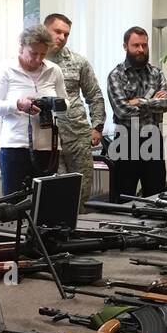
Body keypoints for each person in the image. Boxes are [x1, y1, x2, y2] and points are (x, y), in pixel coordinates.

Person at [0, 24, 67, 195]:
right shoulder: (5, 70)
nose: (38, 59)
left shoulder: (54, 70)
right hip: (15, 148)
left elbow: (66, 103)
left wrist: (52, 103)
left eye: (43, 54)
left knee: (45, 205)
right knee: (15, 206)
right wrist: (17, 104)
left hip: (49, 149)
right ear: (22, 46)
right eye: (33, 53)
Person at [44, 13, 105, 210]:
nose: (61, 37)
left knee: (81, 190)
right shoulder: (34, 61)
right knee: (56, 192)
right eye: (57, 32)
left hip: (77, 136)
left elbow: (94, 95)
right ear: (45, 30)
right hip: (47, 140)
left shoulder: (78, 62)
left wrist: (97, 127)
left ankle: (78, 234)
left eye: (66, 34)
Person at [106, 26, 167, 199]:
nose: (141, 50)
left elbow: (166, 103)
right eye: (136, 45)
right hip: (126, 139)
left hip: (152, 138)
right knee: (123, 196)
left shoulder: (157, 73)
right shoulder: (116, 75)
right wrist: (152, 102)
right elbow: (122, 110)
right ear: (125, 46)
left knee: (156, 194)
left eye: (144, 45)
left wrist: (138, 101)